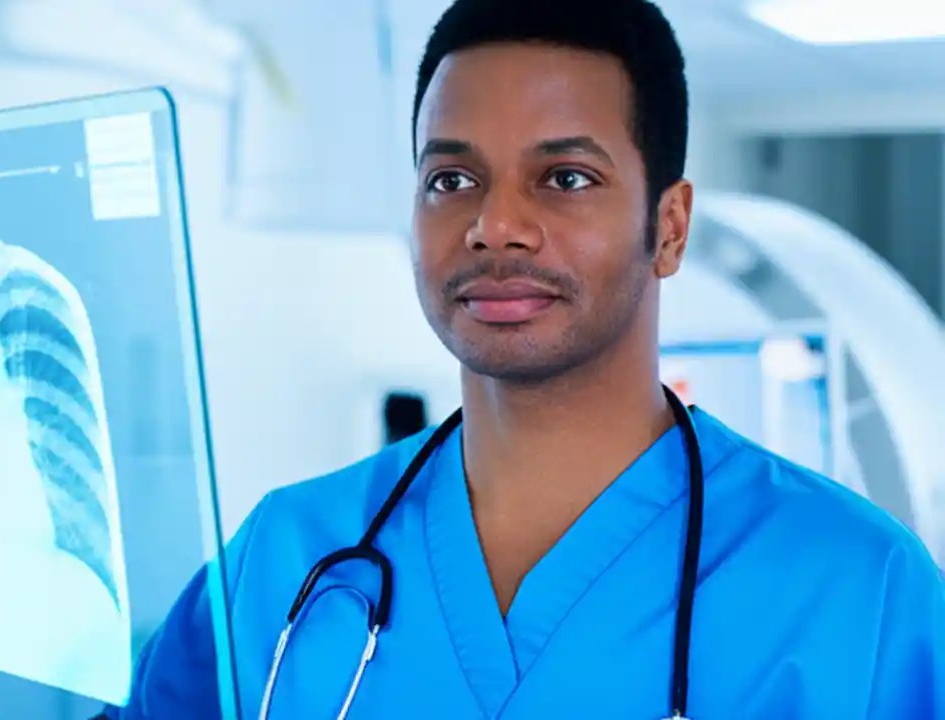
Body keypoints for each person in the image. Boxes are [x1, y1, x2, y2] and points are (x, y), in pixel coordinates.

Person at [104, 0, 945, 717]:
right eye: (451, 180)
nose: (493, 223)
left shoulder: (856, 589)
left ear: (670, 226)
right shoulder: (286, 559)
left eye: (567, 178)